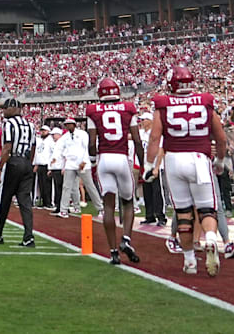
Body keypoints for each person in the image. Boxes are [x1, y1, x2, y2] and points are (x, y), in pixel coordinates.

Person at [146, 65, 229, 277]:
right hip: (200, 158)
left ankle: (190, 260)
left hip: (174, 160)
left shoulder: (163, 104)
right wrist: (220, 160)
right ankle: (210, 238)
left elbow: (155, 137)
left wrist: (149, 165)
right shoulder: (205, 101)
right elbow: (220, 137)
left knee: (183, 213)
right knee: (207, 209)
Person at [85, 78, 144, 265]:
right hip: (121, 157)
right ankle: (126, 239)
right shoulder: (128, 108)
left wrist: (93, 163)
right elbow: (136, 139)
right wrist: (144, 165)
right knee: (128, 202)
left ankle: (113, 252)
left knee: (108, 206)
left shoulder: (93, 110)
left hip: (104, 159)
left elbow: (92, 144)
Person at [0, 98, 37, 248]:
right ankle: (29, 237)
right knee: (25, 202)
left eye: (5, 108)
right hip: (26, 163)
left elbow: (7, 147)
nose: (3, 111)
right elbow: (33, 147)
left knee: (4, 201)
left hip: (13, 162)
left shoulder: (8, 124)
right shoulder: (30, 125)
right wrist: (29, 163)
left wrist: (0, 168)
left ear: (13, 108)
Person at [58, 118, 102, 217]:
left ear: (74, 125)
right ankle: (63, 210)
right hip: (70, 164)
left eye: (69, 124)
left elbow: (87, 148)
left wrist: (85, 161)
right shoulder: (65, 137)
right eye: (66, 124)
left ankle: (100, 208)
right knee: (66, 187)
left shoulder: (82, 134)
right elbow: (61, 150)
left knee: (90, 186)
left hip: (83, 164)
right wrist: (63, 164)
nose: (68, 126)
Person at [138, 112, 167, 226]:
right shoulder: (142, 133)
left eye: (144, 119)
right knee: (147, 192)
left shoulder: (156, 134)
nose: (142, 122)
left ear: (150, 121)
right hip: (146, 166)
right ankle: (149, 215)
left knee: (157, 192)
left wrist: (157, 167)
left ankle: (161, 216)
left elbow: (161, 150)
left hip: (155, 166)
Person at [32, 125, 54, 208]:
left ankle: (48, 202)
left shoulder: (50, 141)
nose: (42, 132)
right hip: (40, 164)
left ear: (48, 132)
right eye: (41, 131)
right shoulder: (40, 141)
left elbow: (52, 154)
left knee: (47, 185)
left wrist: (50, 166)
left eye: (44, 131)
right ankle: (43, 201)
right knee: (41, 185)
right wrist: (36, 164)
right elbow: (37, 153)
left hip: (46, 165)